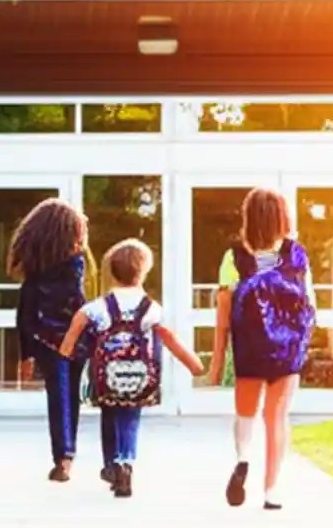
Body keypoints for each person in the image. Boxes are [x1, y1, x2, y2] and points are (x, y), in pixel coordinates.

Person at [60, 239, 204, 498]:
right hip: (138, 377)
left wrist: (66, 349)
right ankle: (126, 461)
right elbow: (169, 336)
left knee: (109, 415)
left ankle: (111, 464)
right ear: (144, 272)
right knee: (130, 418)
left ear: (111, 272)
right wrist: (192, 363)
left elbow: (80, 318)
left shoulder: (102, 305)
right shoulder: (150, 308)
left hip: (107, 376)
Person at [207, 187, 315, 510]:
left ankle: (243, 458)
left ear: (248, 217)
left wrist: (216, 361)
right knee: (277, 417)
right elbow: (310, 303)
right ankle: (272, 491)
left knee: (246, 413)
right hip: (287, 351)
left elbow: (224, 313)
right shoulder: (297, 255)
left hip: (250, 349)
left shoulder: (234, 257)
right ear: (284, 217)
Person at [8, 197, 90, 482]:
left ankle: (63, 456)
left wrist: (25, 353)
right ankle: (67, 456)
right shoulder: (75, 265)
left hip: (46, 340)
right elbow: (79, 302)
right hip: (76, 339)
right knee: (72, 397)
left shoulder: (35, 272)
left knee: (58, 396)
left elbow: (25, 314)